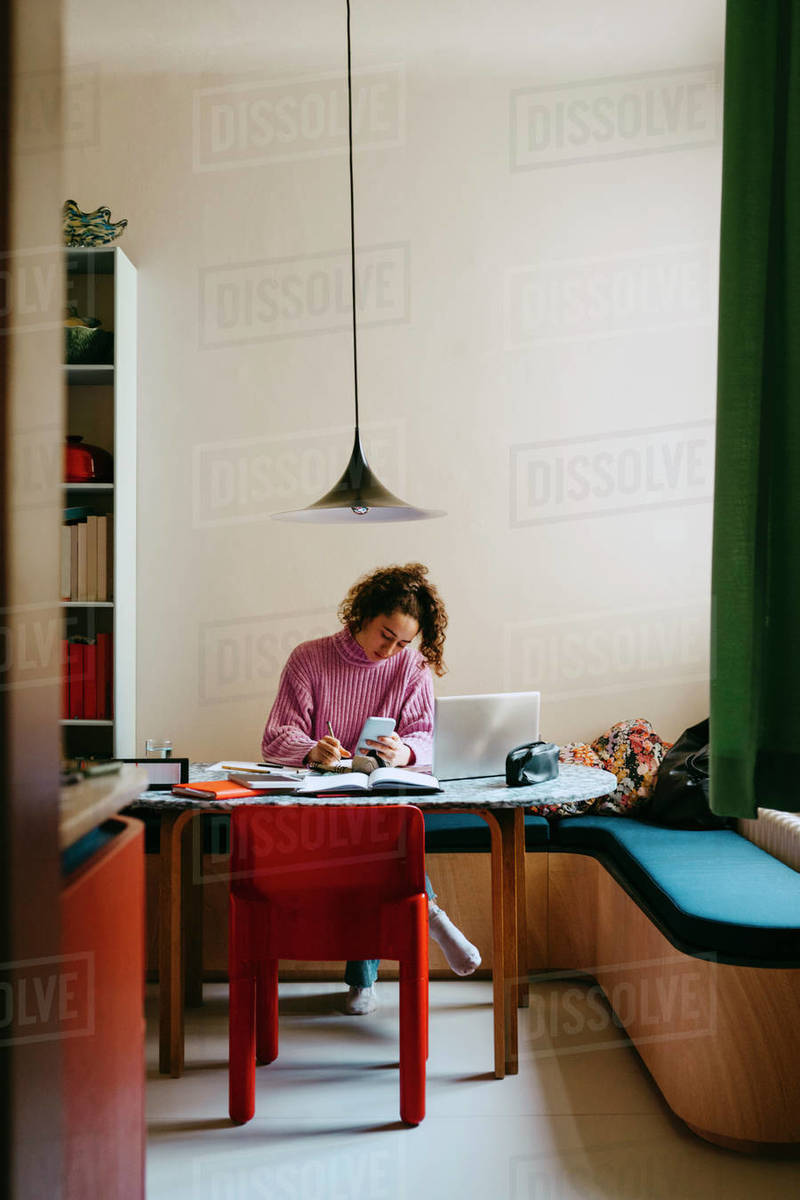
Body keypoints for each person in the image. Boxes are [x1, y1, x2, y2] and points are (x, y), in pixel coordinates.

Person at [261, 562, 481, 1015]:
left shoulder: (412, 667)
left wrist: (405, 754)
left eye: (403, 642)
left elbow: (426, 737)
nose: (392, 650)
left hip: (379, 801)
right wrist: (310, 751)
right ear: (361, 615)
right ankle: (428, 917)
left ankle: (367, 978)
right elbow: (275, 736)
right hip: (315, 804)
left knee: (381, 832)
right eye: (386, 635)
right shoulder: (309, 659)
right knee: (375, 840)